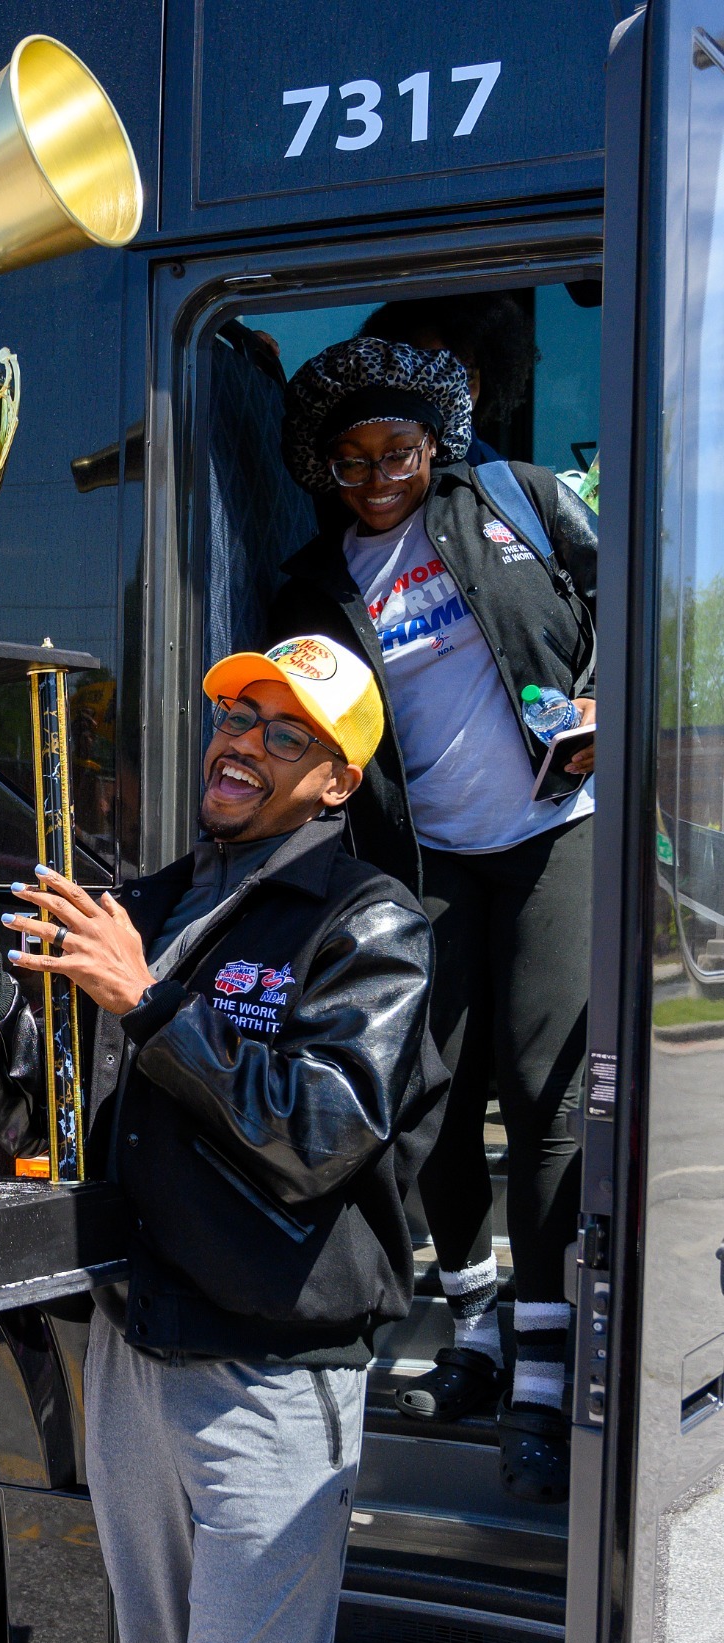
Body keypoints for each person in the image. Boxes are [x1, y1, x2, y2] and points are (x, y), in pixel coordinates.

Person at [0, 639, 444, 1643]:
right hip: (126, 1351)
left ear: (337, 780)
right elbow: (55, 1115)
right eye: (233, 716)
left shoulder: (366, 920)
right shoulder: (146, 901)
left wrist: (148, 1000)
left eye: (283, 732)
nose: (241, 741)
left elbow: (319, 1130)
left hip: (267, 1370)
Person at [265, 336, 597, 1503]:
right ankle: (473, 1331)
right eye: (347, 460)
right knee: (432, 1101)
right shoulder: (313, 584)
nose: (372, 477)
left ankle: (544, 1384)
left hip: (554, 833)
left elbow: (620, 604)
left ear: (432, 443)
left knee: (543, 1088)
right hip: (425, 860)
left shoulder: (518, 499)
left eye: (393, 451)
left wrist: (598, 704)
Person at [359, 293, 539, 465]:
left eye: (467, 375)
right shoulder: (364, 474)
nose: (455, 392)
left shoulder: (500, 483)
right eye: (434, 375)